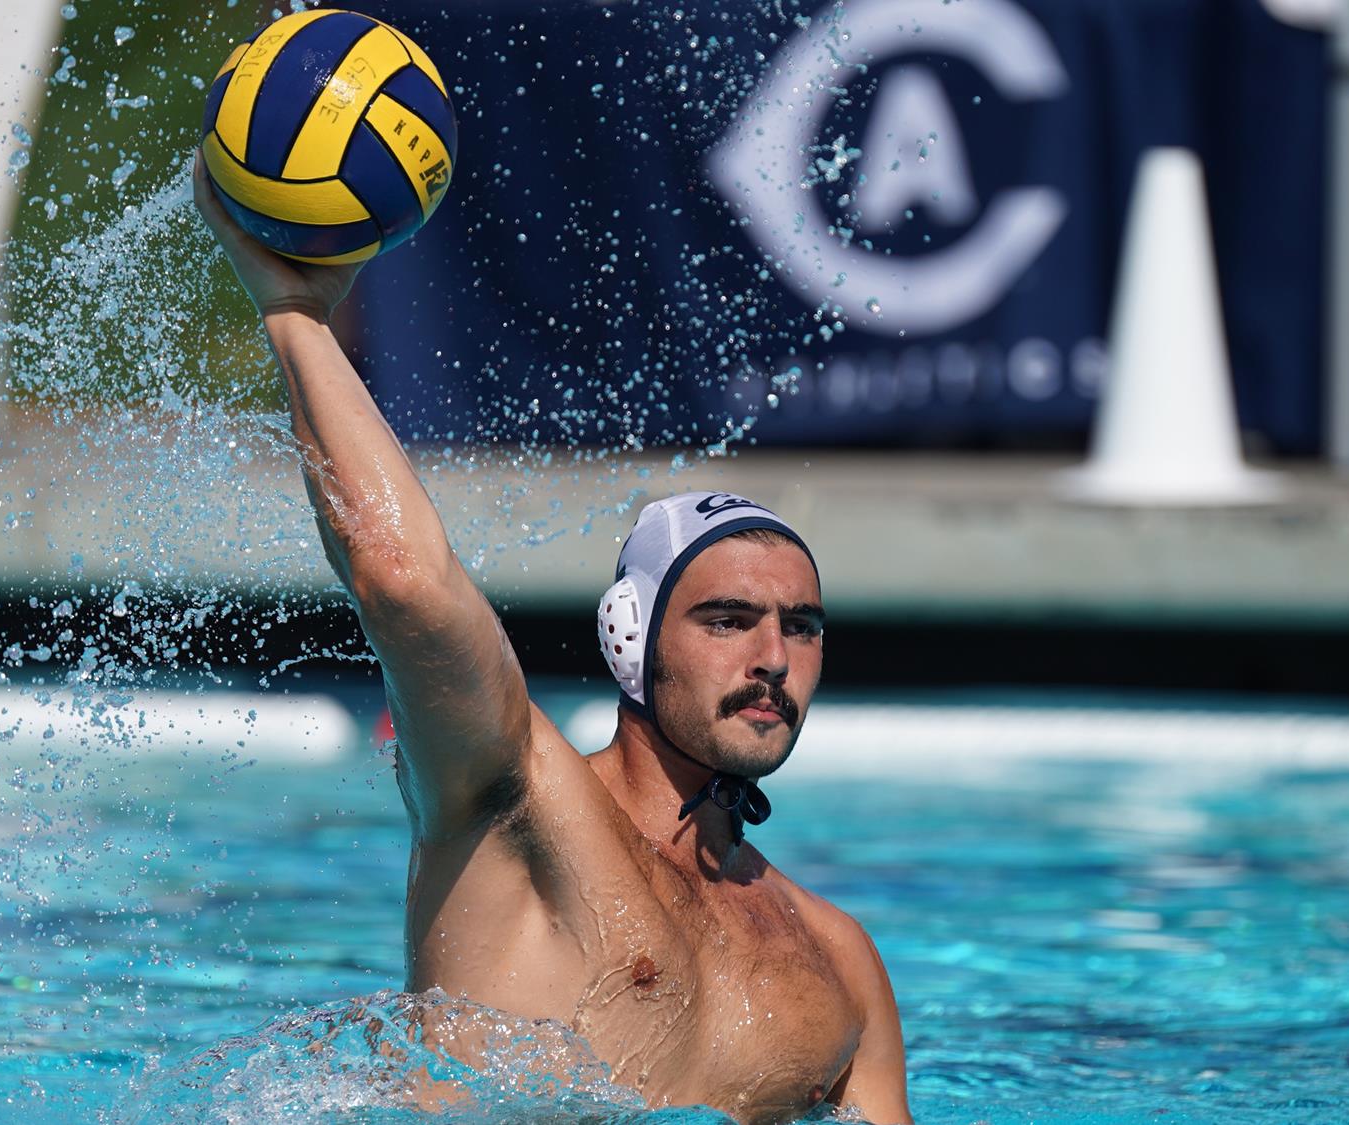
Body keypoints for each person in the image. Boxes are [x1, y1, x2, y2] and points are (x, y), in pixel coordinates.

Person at [193, 161, 911, 1125]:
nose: (774, 657)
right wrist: (293, 312)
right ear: (629, 638)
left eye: (803, 627)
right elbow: (402, 581)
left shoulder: (839, 960)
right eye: (729, 620)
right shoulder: (514, 804)